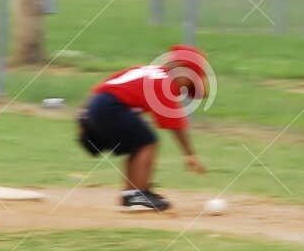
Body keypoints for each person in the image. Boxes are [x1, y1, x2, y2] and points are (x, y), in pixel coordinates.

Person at [77, 46, 210, 212]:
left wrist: (84, 115)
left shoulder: (147, 71)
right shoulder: (165, 84)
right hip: (111, 107)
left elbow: (104, 86)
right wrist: (189, 154)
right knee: (148, 142)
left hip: (98, 105)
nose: (186, 87)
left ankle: (130, 194)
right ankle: (138, 194)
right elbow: (175, 125)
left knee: (138, 144)